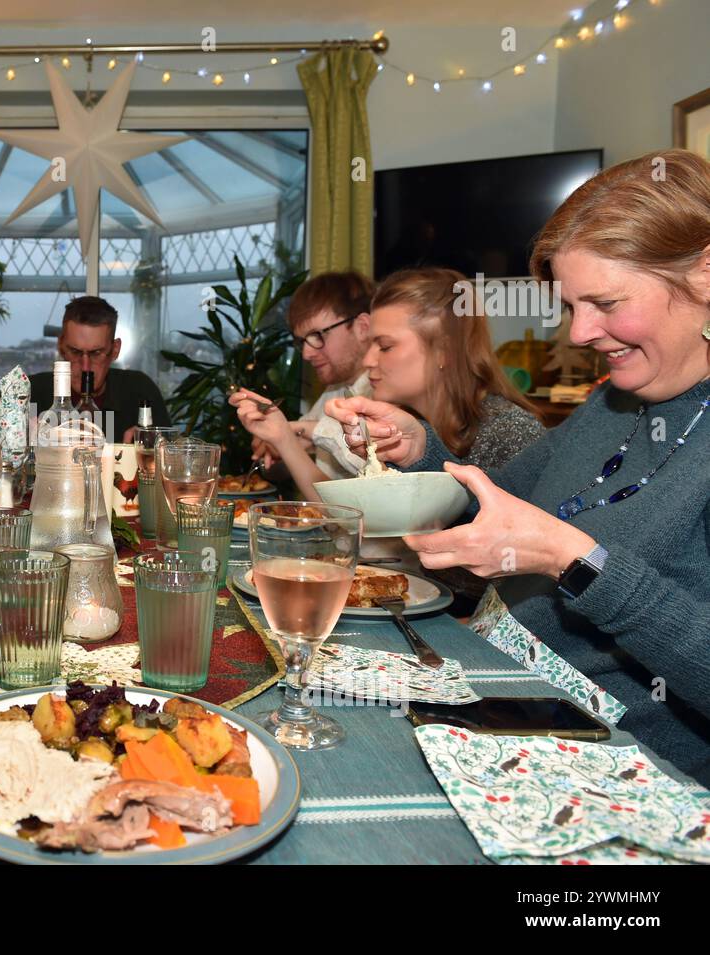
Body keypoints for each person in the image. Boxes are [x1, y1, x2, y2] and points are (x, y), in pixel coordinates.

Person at [327, 150, 710, 786]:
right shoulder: (612, 402)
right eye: (571, 307)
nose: (582, 333)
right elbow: (493, 511)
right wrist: (420, 448)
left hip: (607, 770)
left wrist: (576, 561)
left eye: (606, 303)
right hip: (485, 694)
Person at [232, 267, 544, 500]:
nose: (369, 361)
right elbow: (361, 518)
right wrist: (284, 437)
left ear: (444, 352)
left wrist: (293, 436)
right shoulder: (400, 426)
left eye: (385, 346)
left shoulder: (509, 432)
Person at [249, 270, 375, 482]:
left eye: (317, 335)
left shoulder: (389, 391)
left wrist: (294, 432)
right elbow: (303, 437)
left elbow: (370, 468)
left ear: (362, 327)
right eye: (302, 342)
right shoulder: (336, 391)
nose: (306, 354)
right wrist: (276, 440)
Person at [28, 295, 169, 442]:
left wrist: (148, 446)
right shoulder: (31, 394)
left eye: (96, 353)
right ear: (61, 346)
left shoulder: (139, 390)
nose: (85, 367)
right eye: (75, 352)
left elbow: (169, 454)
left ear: (115, 350)